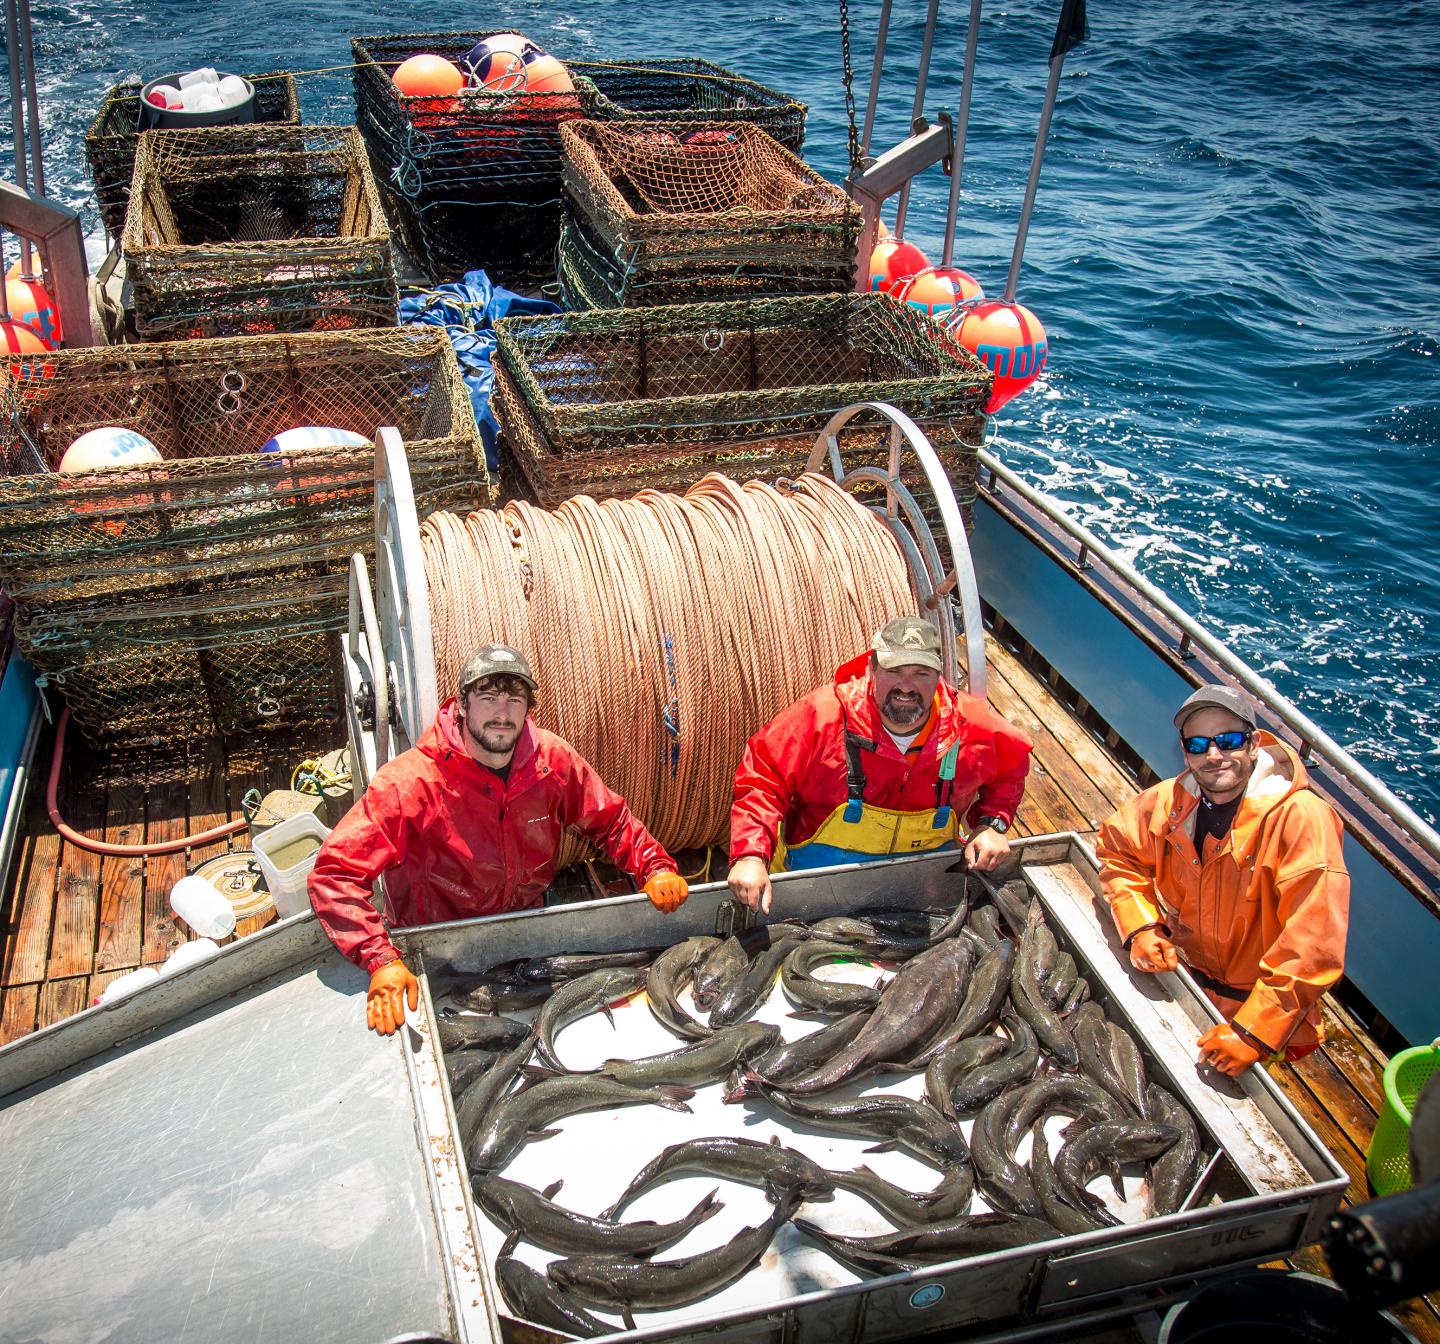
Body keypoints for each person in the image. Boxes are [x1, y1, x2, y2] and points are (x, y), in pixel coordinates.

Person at [310, 644, 689, 1034]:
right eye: (487, 698)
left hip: (527, 936)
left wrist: (654, 867)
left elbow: (610, 820)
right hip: (440, 953)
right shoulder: (411, 783)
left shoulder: (552, 762)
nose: (502, 713)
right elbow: (334, 874)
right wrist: (381, 959)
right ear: (461, 705)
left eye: (514, 699)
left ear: (529, 708)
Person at [1096, 684, 1349, 1077]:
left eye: (1227, 741)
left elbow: (1312, 945)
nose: (1213, 756)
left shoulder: (1302, 819)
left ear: (1254, 744)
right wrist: (1141, 925)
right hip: (1182, 980)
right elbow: (1118, 851)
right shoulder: (1168, 801)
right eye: (1198, 745)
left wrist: (1253, 1033)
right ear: (1185, 752)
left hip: (1256, 1010)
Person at [727, 615, 1033, 912]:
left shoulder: (971, 724)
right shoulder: (820, 717)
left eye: (920, 673)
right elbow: (763, 779)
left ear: (938, 677)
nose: (906, 686)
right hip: (813, 890)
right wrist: (751, 855)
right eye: (894, 670)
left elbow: (1012, 765)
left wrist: (991, 824)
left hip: (923, 889)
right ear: (871, 668)